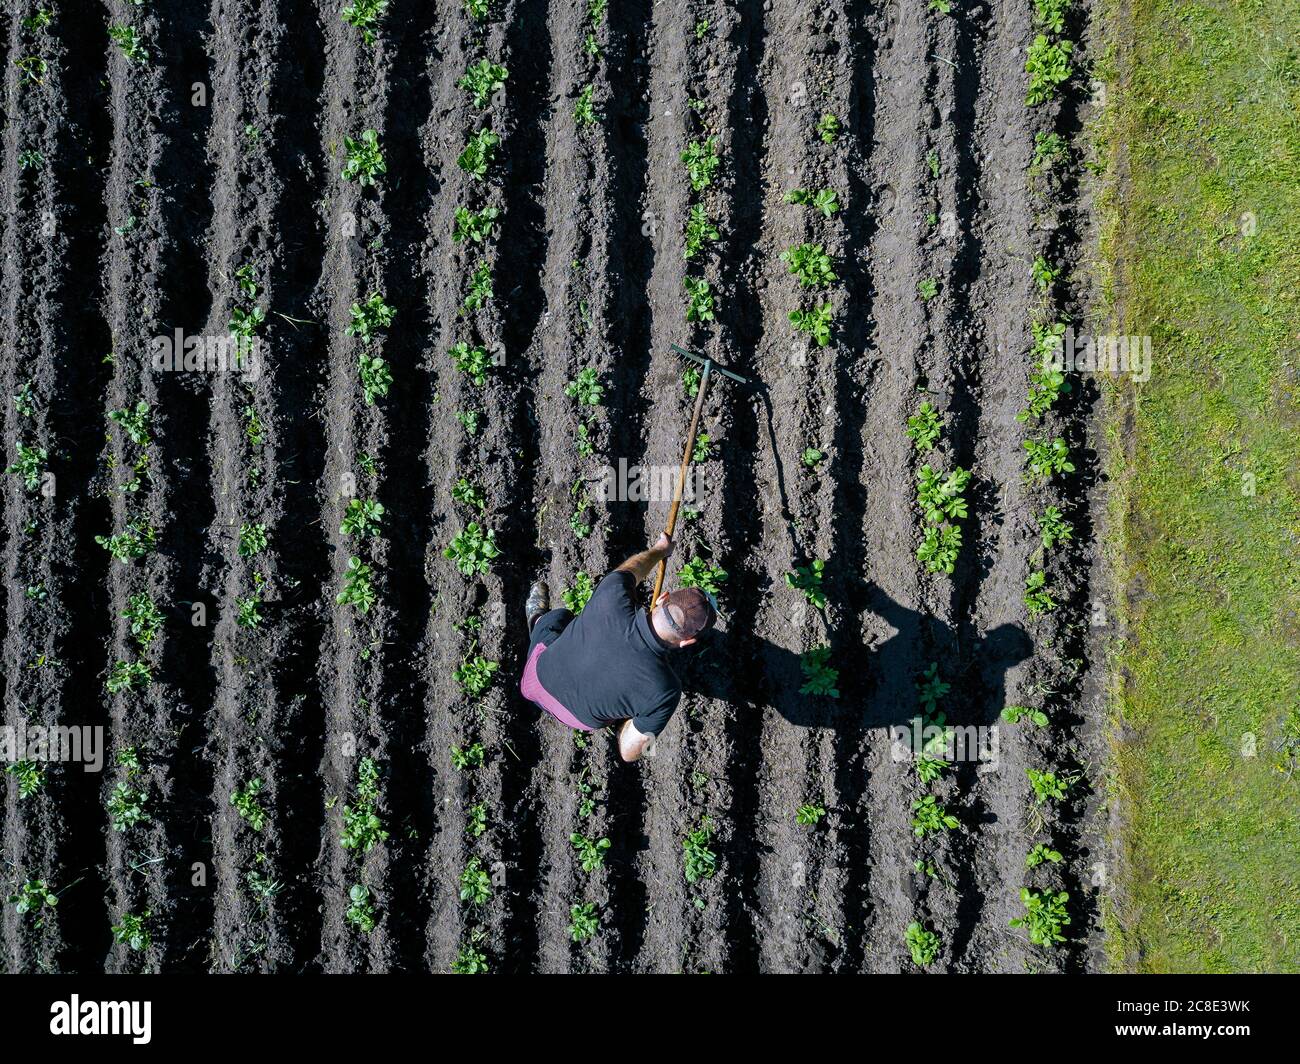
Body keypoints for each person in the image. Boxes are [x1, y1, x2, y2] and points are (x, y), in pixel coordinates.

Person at [519, 533, 716, 762]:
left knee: (559, 617)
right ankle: (536, 621)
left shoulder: (613, 594)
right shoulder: (666, 691)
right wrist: (632, 721)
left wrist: (659, 550)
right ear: (687, 642)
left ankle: (538, 621)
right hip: (576, 718)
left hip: (533, 680)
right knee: (559, 619)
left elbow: (632, 568)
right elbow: (628, 753)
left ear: (662, 598)